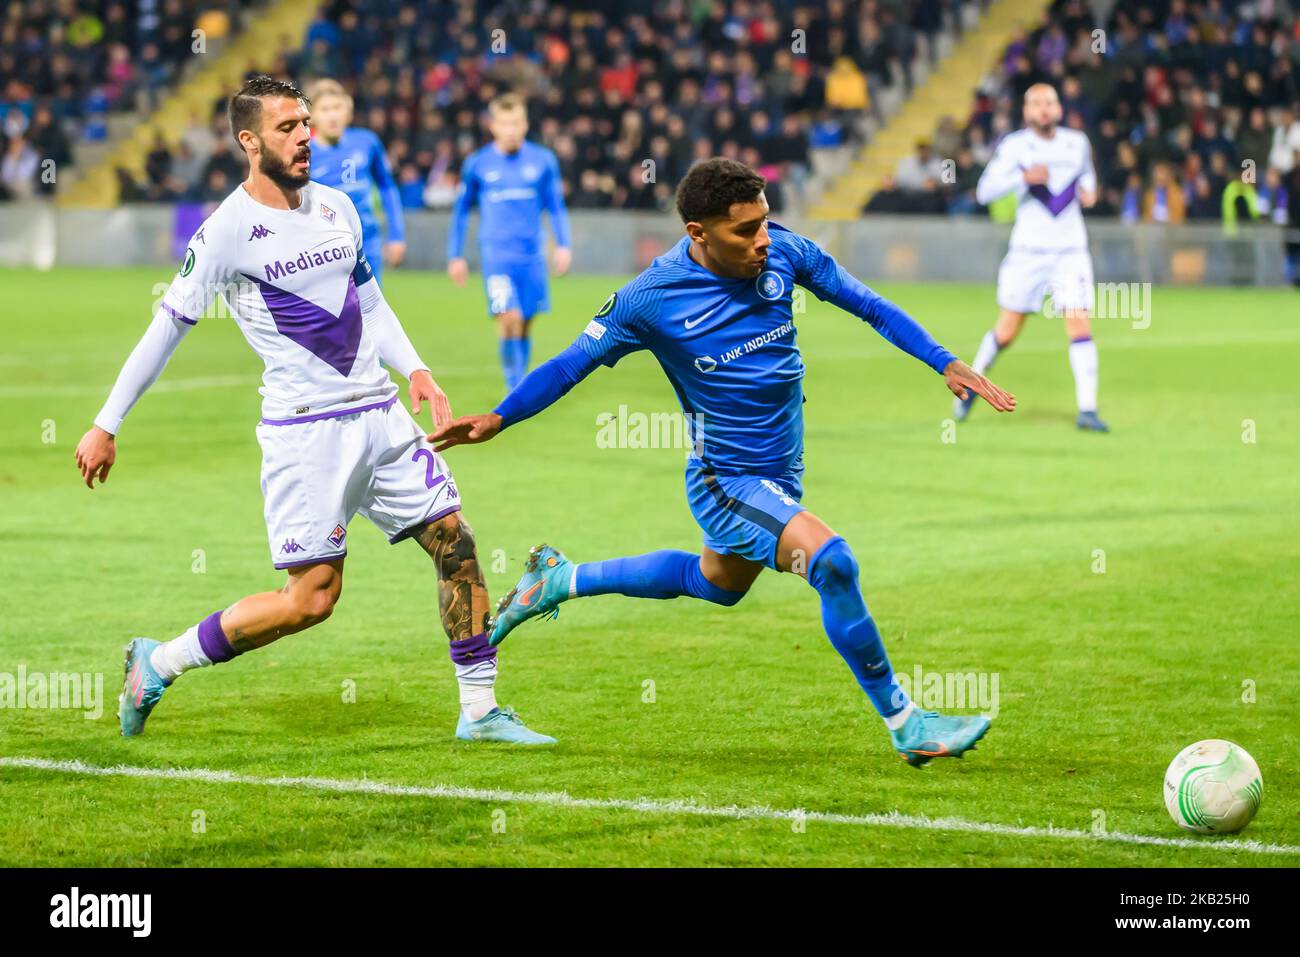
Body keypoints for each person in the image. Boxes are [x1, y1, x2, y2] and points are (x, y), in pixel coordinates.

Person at [430, 158, 1017, 767]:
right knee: (833, 563)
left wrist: (944, 361)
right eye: (745, 231)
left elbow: (870, 305)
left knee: (716, 585)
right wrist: (500, 416)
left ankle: (558, 579)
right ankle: (906, 723)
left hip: (780, 472)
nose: (763, 239)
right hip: (728, 481)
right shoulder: (649, 299)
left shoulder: (785, 252)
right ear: (698, 233)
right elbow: (570, 363)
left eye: (764, 221)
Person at [75, 76, 552, 745]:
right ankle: (158, 662)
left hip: (382, 414)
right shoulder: (226, 233)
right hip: (308, 431)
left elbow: (370, 299)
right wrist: (107, 422)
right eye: (287, 127)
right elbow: (166, 328)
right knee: (312, 601)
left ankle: (479, 710)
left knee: (456, 541)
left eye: (305, 122)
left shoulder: (337, 207)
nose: (304, 137)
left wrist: (412, 366)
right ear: (249, 141)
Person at [957, 83, 1108, 432]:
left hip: (1070, 250)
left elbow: (1088, 177)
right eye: (1036, 103)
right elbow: (984, 191)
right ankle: (972, 386)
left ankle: (1088, 410)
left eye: (1050, 102)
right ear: (1026, 111)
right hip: (1028, 252)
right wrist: (1022, 177)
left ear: (1059, 109)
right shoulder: (1014, 147)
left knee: (1079, 323)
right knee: (1007, 331)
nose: (1044, 108)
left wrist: (1090, 193)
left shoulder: (1077, 143)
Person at [447, 92, 571, 390]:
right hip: (496, 256)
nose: (511, 130)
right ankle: (514, 386)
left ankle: (520, 380)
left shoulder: (543, 161)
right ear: (493, 126)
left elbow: (555, 206)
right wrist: (455, 255)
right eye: (505, 124)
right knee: (509, 317)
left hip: (532, 255)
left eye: (516, 123)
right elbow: (461, 211)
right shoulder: (478, 164)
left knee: (526, 319)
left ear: (525, 124)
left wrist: (563, 244)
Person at [307, 78, 406, 286]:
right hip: (323, 246)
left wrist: (396, 235)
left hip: (366, 240)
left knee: (370, 313)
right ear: (312, 115)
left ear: (347, 110)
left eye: (337, 107)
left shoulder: (367, 142)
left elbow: (387, 187)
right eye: (324, 109)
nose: (332, 115)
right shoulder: (304, 153)